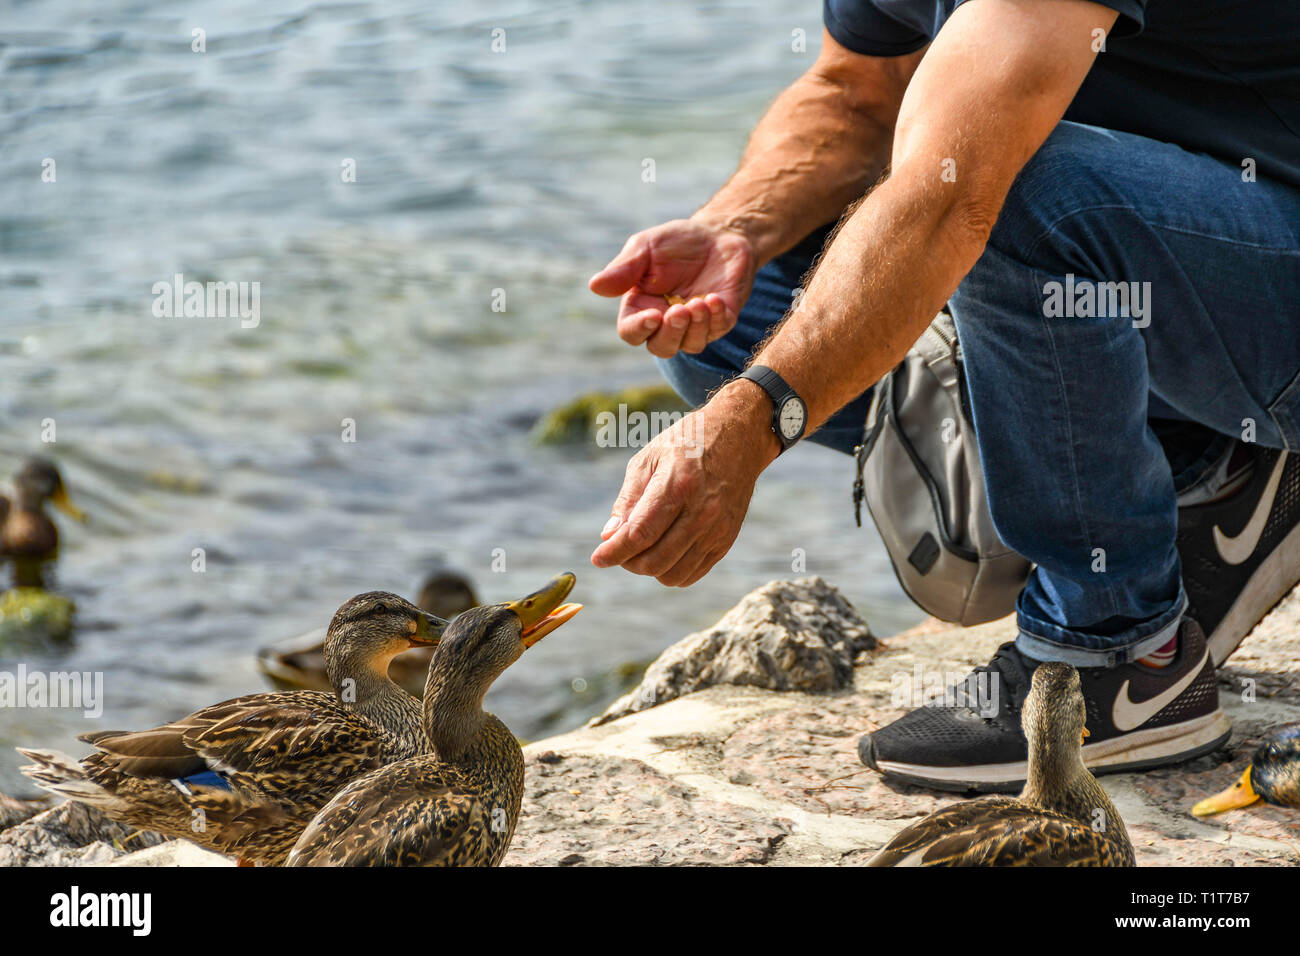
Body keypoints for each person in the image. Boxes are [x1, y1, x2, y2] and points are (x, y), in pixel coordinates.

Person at [588, 0, 1300, 789]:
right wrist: (737, 228)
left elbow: (950, 200)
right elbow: (857, 93)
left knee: (1014, 185)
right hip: (1180, 262)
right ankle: (1200, 467)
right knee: (733, 333)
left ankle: (1121, 654)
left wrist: (757, 423)